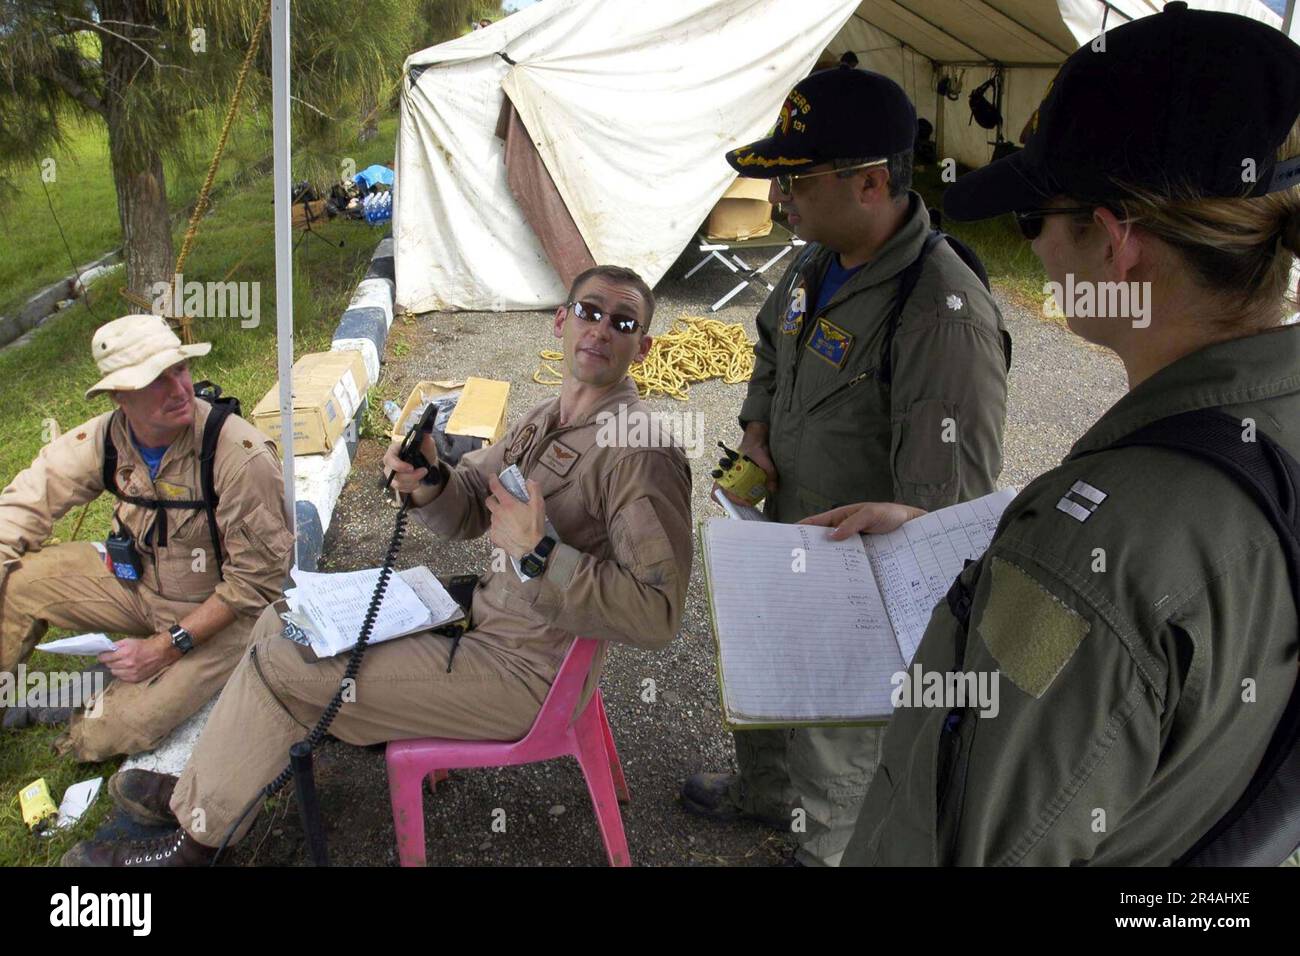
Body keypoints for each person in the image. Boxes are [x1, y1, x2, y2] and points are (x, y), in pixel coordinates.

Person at [814, 1, 1300, 865]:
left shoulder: (1088, 557)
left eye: (1033, 219)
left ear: (1116, 245)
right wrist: (975, 537)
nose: (1029, 248)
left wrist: (1035, 567)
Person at [63, 264, 693, 867]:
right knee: (284, 621)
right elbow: (470, 506)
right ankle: (204, 799)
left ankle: (196, 841)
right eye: (590, 312)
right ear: (561, 322)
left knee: (285, 657)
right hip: (478, 622)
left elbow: (659, 612)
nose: (602, 329)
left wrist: (541, 555)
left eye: (623, 321)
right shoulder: (543, 420)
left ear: (642, 347)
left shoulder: (640, 453)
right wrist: (426, 480)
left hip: (524, 674)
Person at [683, 66, 1010, 866]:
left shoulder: (939, 311)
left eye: (797, 180)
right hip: (784, 529)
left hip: (858, 567)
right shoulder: (814, 261)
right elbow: (771, 340)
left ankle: (827, 850)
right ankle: (762, 789)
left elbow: (952, 512)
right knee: (764, 676)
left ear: (869, 184)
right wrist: (758, 423)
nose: (781, 199)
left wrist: (895, 549)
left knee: (840, 732)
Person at [0, 314, 294, 761]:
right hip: (141, 586)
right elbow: (26, 502)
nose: (178, 389)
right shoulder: (108, 439)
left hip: (223, 616)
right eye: (155, 380)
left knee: (105, 732)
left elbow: (256, 586)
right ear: (119, 396)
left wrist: (165, 647)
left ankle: (93, 701)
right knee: (18, 582)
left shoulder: (237, 455)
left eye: (179, 369)